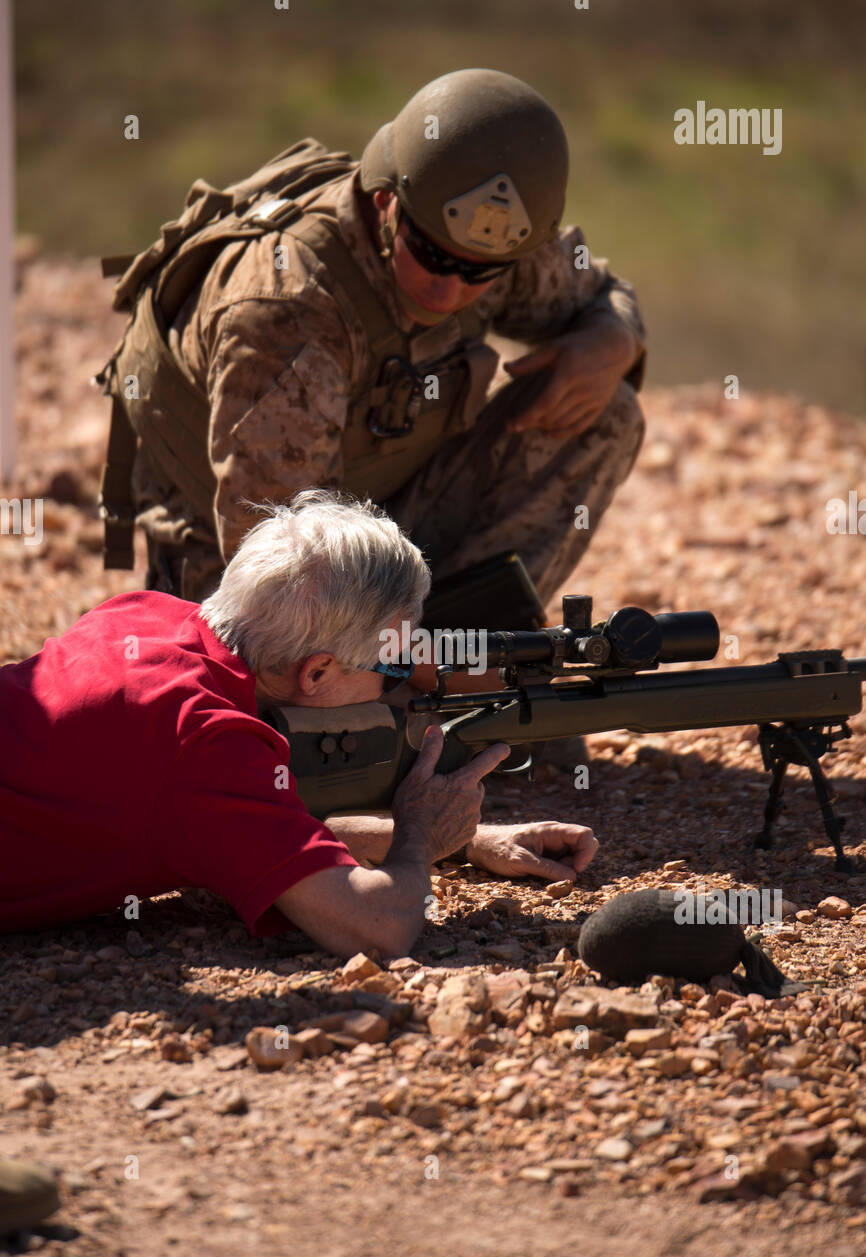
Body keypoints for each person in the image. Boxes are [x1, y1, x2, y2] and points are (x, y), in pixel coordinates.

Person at [97, 68, 646, 654]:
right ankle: (418, 679)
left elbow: (603, 295)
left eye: (478, 274)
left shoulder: (488, 238)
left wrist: (610, 341)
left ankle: (463, 658)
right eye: (432, 256)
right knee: (296, 698)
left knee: (608, 410)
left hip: (378, 518)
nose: (448, 291)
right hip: (248, 564)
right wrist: (381, 677)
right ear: (388, 203)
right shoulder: (289, 313)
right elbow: (278, 561)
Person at [1, 492, 598, 958]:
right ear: (315, 673)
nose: (399, 681)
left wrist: (466, 839)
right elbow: (376, 928)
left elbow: (267, 821)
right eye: (390, 665)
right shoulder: (205, 738)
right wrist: (418, 839)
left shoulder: (145, 614)